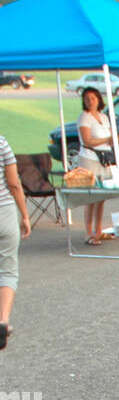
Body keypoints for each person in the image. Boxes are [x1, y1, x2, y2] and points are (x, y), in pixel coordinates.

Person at [76, 87, 119, 246]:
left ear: (98, 99)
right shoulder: (84, 117)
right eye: (87, 98)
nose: (90, 101)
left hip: (104, 159)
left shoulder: (103, 117)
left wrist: (116, 139)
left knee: (101, 197)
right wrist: (107, 139)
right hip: (89, 158)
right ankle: (88, 233)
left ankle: (98, 230)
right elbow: (87, 140)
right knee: (91, 196)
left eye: (93, 98)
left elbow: (110, 137)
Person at [0, 134, 30, 350]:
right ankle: (2, 320)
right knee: (8, 271)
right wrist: (25, 215)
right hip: (5, 212)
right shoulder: (1, 143)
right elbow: (14, 183)